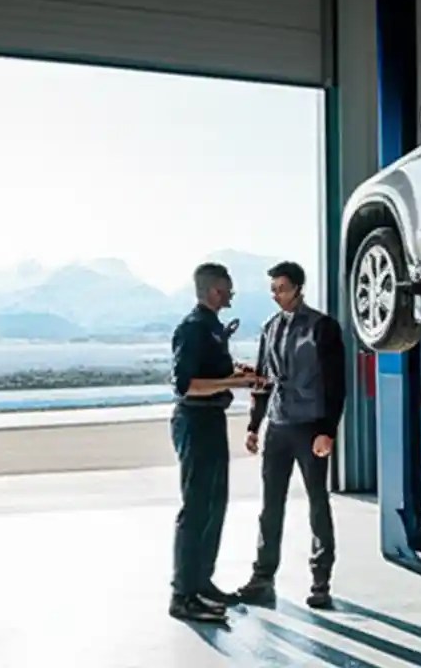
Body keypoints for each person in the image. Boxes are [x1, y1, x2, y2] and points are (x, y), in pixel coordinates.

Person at [234, 261, 346, 609]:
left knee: (317, 503)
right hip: (278, 429)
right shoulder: (269, 327)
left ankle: (321, 580)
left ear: (298, 287)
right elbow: (264, 381)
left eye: (281, 288)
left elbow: (336, 384)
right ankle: (262, 578)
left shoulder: (322, 327)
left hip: (311, 427)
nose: (276, 295)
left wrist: (328, 430)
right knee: (270, 506)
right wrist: (255, 424)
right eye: (272, 289)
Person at [167, 262, 262, 623]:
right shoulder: (192, 329)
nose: (232, 295)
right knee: (195, 508)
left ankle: (201, 582)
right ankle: (183, 595)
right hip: (194, 420)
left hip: (211, 421)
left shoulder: (212, 329)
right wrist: (235, 384)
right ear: (212, 291)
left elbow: (213, 373)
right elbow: (186, 385)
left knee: (214, 504)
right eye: (228, 289)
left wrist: (239, 374)